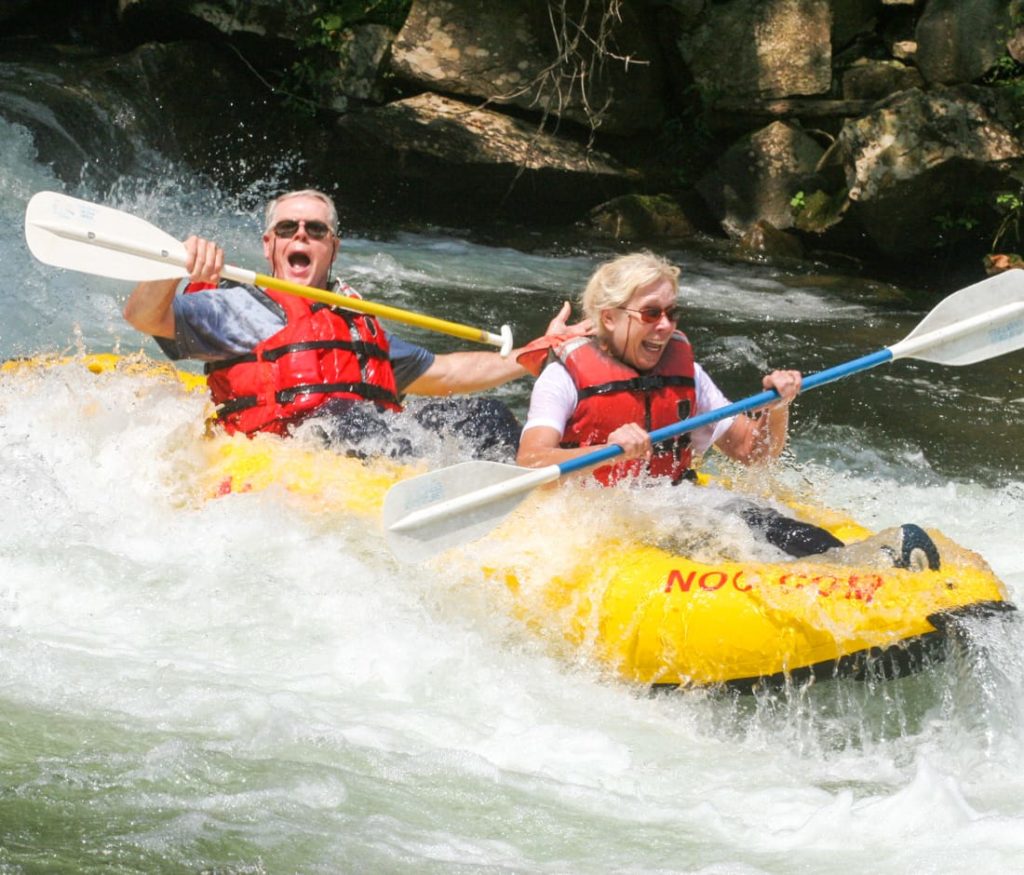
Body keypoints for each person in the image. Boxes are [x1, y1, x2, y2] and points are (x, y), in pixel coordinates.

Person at [514, 251, 940, 570]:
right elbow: (530, 463)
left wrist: (778, 406)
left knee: (768, 526)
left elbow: (754, 454)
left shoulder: (687, 374)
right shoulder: (563, 377)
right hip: (594, 517)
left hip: (669, 501)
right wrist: (602, 450)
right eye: (650, 313)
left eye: (671, 312)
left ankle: (861, 568)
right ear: (608, 318)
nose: (665, 326)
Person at [123, 188, 589, 460]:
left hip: (371, 442)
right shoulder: (236, 308)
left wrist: (528, 358)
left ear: (333, 247)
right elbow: (143, 317)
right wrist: (172, 264)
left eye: (315, 230)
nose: (300, 235)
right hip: (289, 453)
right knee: (350, 421)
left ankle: (526, 511)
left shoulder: (355, 325)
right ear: (269, 246)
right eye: (288, 229)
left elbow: (443, 373)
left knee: (486, 416)